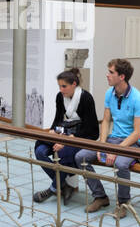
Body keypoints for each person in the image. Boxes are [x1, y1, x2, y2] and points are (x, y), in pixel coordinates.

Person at [75, 58, 140, 215]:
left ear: (122, 76)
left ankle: (123, 202)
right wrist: (102, 144)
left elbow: (137, 133)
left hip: (132, 143)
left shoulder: (137, 98)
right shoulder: (110, 93)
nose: (107, 75)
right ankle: (100, 196)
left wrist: (116, 150)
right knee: (81, 157)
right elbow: (106, 120)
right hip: (112, 139)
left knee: (120, 164)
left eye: (111, 72)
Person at [33, 68, 99, 204]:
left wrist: (70, 139)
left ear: (74, 84)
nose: (61, 90)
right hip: (65, 132)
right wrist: (53, 131)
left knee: (64, 151)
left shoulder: (86, 98)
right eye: (59, 86)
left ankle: (53, 189)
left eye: (64, 86)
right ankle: (62, 185)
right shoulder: (60, 97)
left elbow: (92, 128)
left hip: (82, 135)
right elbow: (58, 119)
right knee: (40, 151)